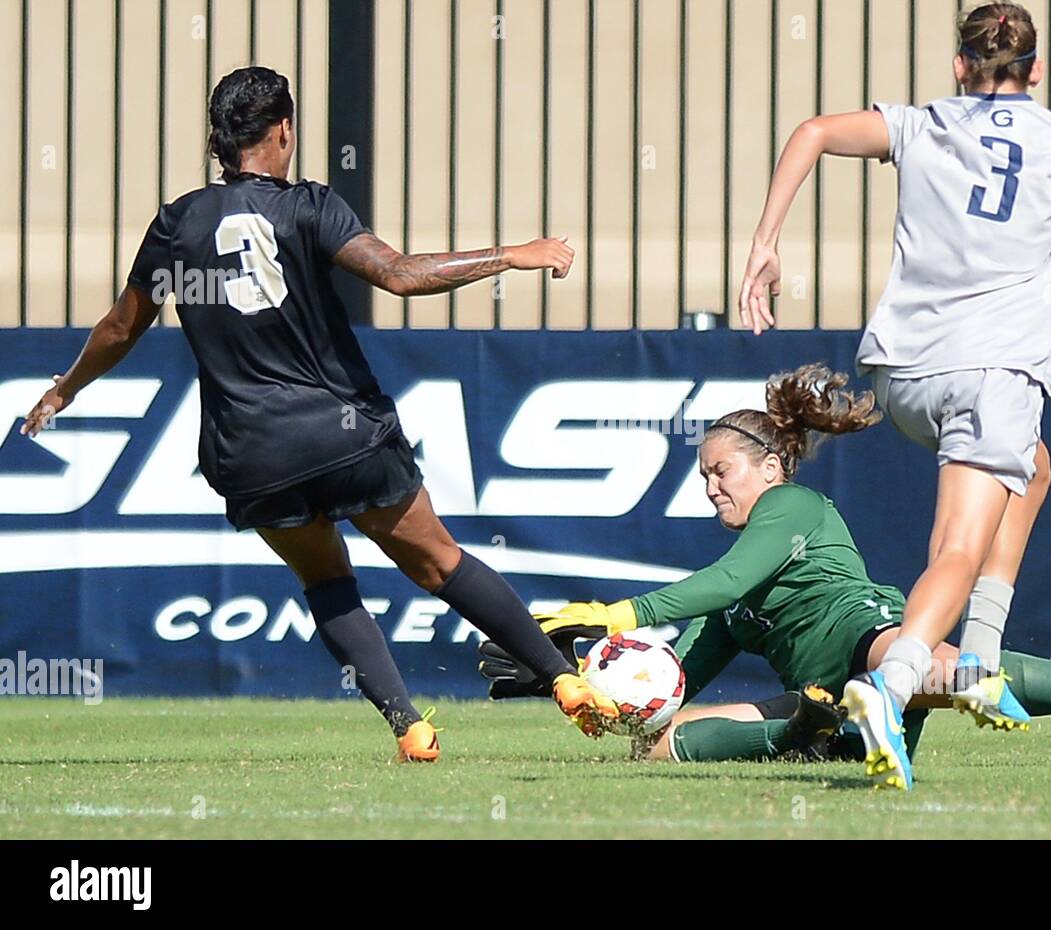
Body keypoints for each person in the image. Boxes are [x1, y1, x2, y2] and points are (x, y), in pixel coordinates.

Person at [20, 66, 616, 763]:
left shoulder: (177, 224)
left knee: (327, 583)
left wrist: (68, 388)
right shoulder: (308, 205)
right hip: (346, 435)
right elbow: (400, 274)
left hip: (252, 453)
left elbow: (122, 327)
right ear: (283, 130)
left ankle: (408, 726)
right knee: (439, 564)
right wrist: (510, 255)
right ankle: (563, 679)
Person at [478, 365, 1051, 778]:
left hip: (870, 643)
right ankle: (822, 730)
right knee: (656, 749)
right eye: (705, 476)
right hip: (824, 695)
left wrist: (617, 616)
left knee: (947, 671)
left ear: (771, 466)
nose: (711, 486)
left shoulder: (789, 508)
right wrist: (571, 680)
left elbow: (716, 583)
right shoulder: (730, 604)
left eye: (722, 472)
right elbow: (668, 686)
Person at [735, 3, 1051, 788]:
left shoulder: (922, 123)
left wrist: (766, 244)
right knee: (957, 549)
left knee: (1031, 471)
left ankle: (979, 658)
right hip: (993, 375)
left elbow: (809, 131)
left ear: (959, 67)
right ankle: (893, 686)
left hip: (903, 374)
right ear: (1035, 70)